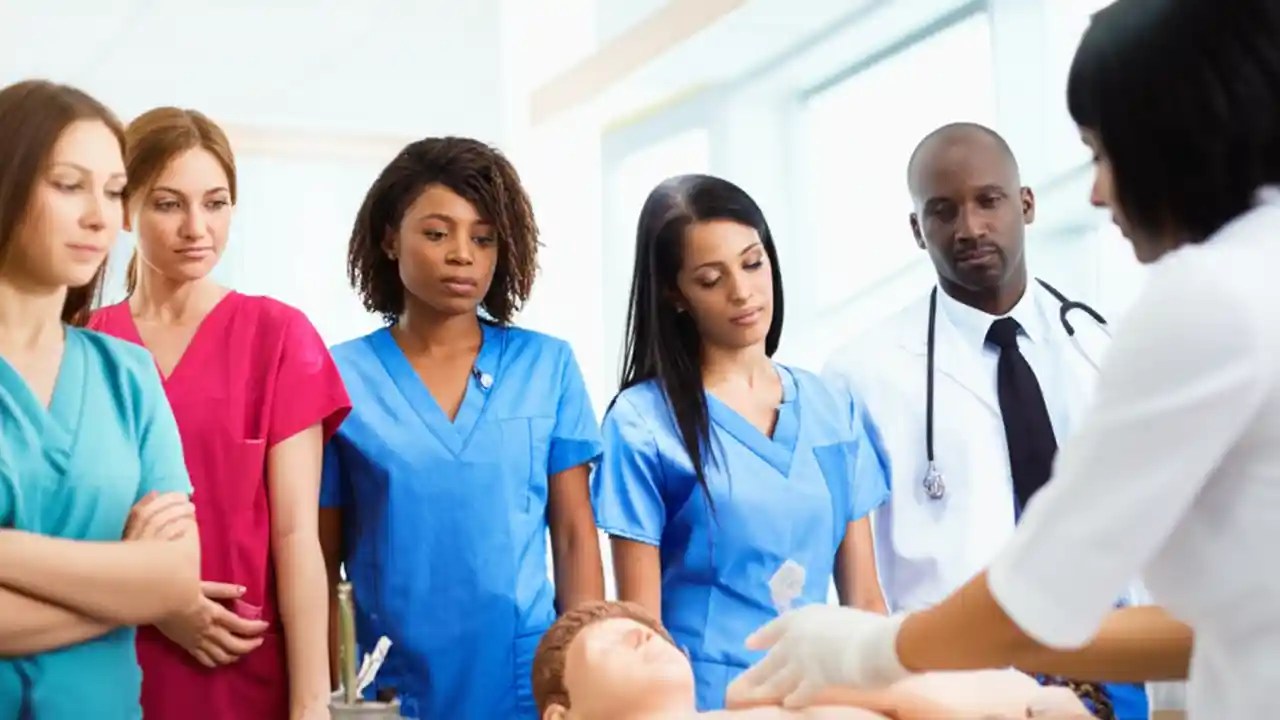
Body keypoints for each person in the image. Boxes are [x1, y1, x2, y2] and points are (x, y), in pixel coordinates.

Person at [726, 0, 1280, 718]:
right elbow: (1207, 623)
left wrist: (870, 651)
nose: (1096, 190)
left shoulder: (1203, 301)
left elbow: (1045, 592)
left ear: (1169, 139)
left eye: (1102, 153)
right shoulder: (1258, 272)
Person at [817, 119, 1149, 719]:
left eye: (988, 201)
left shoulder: (1102, 344)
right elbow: (856, 579)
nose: (969, 228)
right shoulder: (860, 377)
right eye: (942, 211)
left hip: (1115, 656)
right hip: (963, 681)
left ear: (1025, 204)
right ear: (918, 231)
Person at [318, 136, 605, 719]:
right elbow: (320, 565)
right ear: (388, 238)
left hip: (524, 685)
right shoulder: (338, 377)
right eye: (436, 232)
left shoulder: (546, 366)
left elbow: (575, 535)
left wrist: (585, 686)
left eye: (483, 238)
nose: (462, 255)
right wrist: (337, 696)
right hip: (390, 688)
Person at [88, 106, 351, 720]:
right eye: (168, 204)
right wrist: (161, 600)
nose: (196, 227)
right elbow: (69, 529)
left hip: (245, 663)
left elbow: (296, 537)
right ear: (125, 209)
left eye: (216, 202)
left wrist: (311, 704)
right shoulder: (83, 344)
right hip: (114, 654)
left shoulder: (279, 336)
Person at [591, 174, 890, 712]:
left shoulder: (831, 411)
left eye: (753, 263)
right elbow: (644, 627)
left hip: (824, 701)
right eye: (711, 278)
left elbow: (865, 600)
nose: (742, 291)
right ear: (673, 293)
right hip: (708, 703)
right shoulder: (643, 424)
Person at [0, 80, 201, 718]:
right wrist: (125, 586)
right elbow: (154, 590)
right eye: (68, 184)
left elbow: (175, 581)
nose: (101, 217)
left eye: (114, 192)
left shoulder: (127, 374)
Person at [531, 600, 1093, 719]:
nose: (637, 631)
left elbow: (908, 692)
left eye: (646, 627)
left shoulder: (758, 694)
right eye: (603, 636)